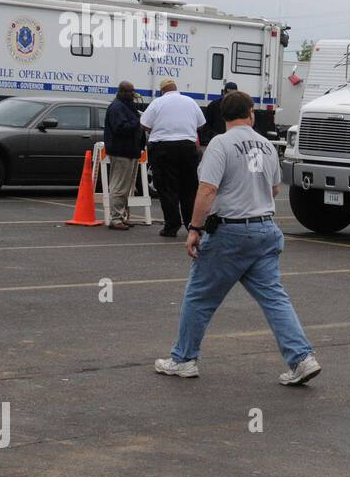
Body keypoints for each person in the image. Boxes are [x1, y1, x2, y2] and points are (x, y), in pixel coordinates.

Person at [154, 91, 321, 386]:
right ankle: (301, 358)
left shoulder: (220, 144)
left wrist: (194, 228)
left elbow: (207, 190)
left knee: (200, 297)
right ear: (251, 114)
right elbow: (274, 190)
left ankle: (183, 359)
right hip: (265, 230)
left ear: (223, 116)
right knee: (274, 299)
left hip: (231, 232)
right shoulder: (268, 146)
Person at [141, 78, 205, 237]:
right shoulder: (190, 101)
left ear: (162, 90)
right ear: (176, 88)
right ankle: (192, 225)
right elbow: (201, 123)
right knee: (189, 188)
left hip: (163, 148)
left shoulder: (157, 103)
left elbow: (144, 125)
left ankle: (171, 226)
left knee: (167, 188)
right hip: (187, 147)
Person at [103, 81, 144, 230]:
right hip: (121, 152)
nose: (132, 94)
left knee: (126, 187)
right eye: (129, 91)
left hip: (130, 151)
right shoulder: (116, 107)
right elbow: (120, 128)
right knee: (119, 186)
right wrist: (138, 123)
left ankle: (122, 216)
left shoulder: (127, 106)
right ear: (121, 92)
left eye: (133, 91)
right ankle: (115, 218)